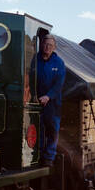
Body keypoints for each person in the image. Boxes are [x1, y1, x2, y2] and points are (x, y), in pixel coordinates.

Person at [30, 33, 67, 167]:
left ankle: (49, 157)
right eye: (45, 44)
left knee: (52, 129)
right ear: (41, 45)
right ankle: (37, 155)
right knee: (37, 128)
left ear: (54, 47)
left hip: (52, 103)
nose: (47, 47)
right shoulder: (34, 60)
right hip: (35, 101)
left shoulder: (59, 63)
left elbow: (59, 84)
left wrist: (48, 96)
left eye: (50, 45)